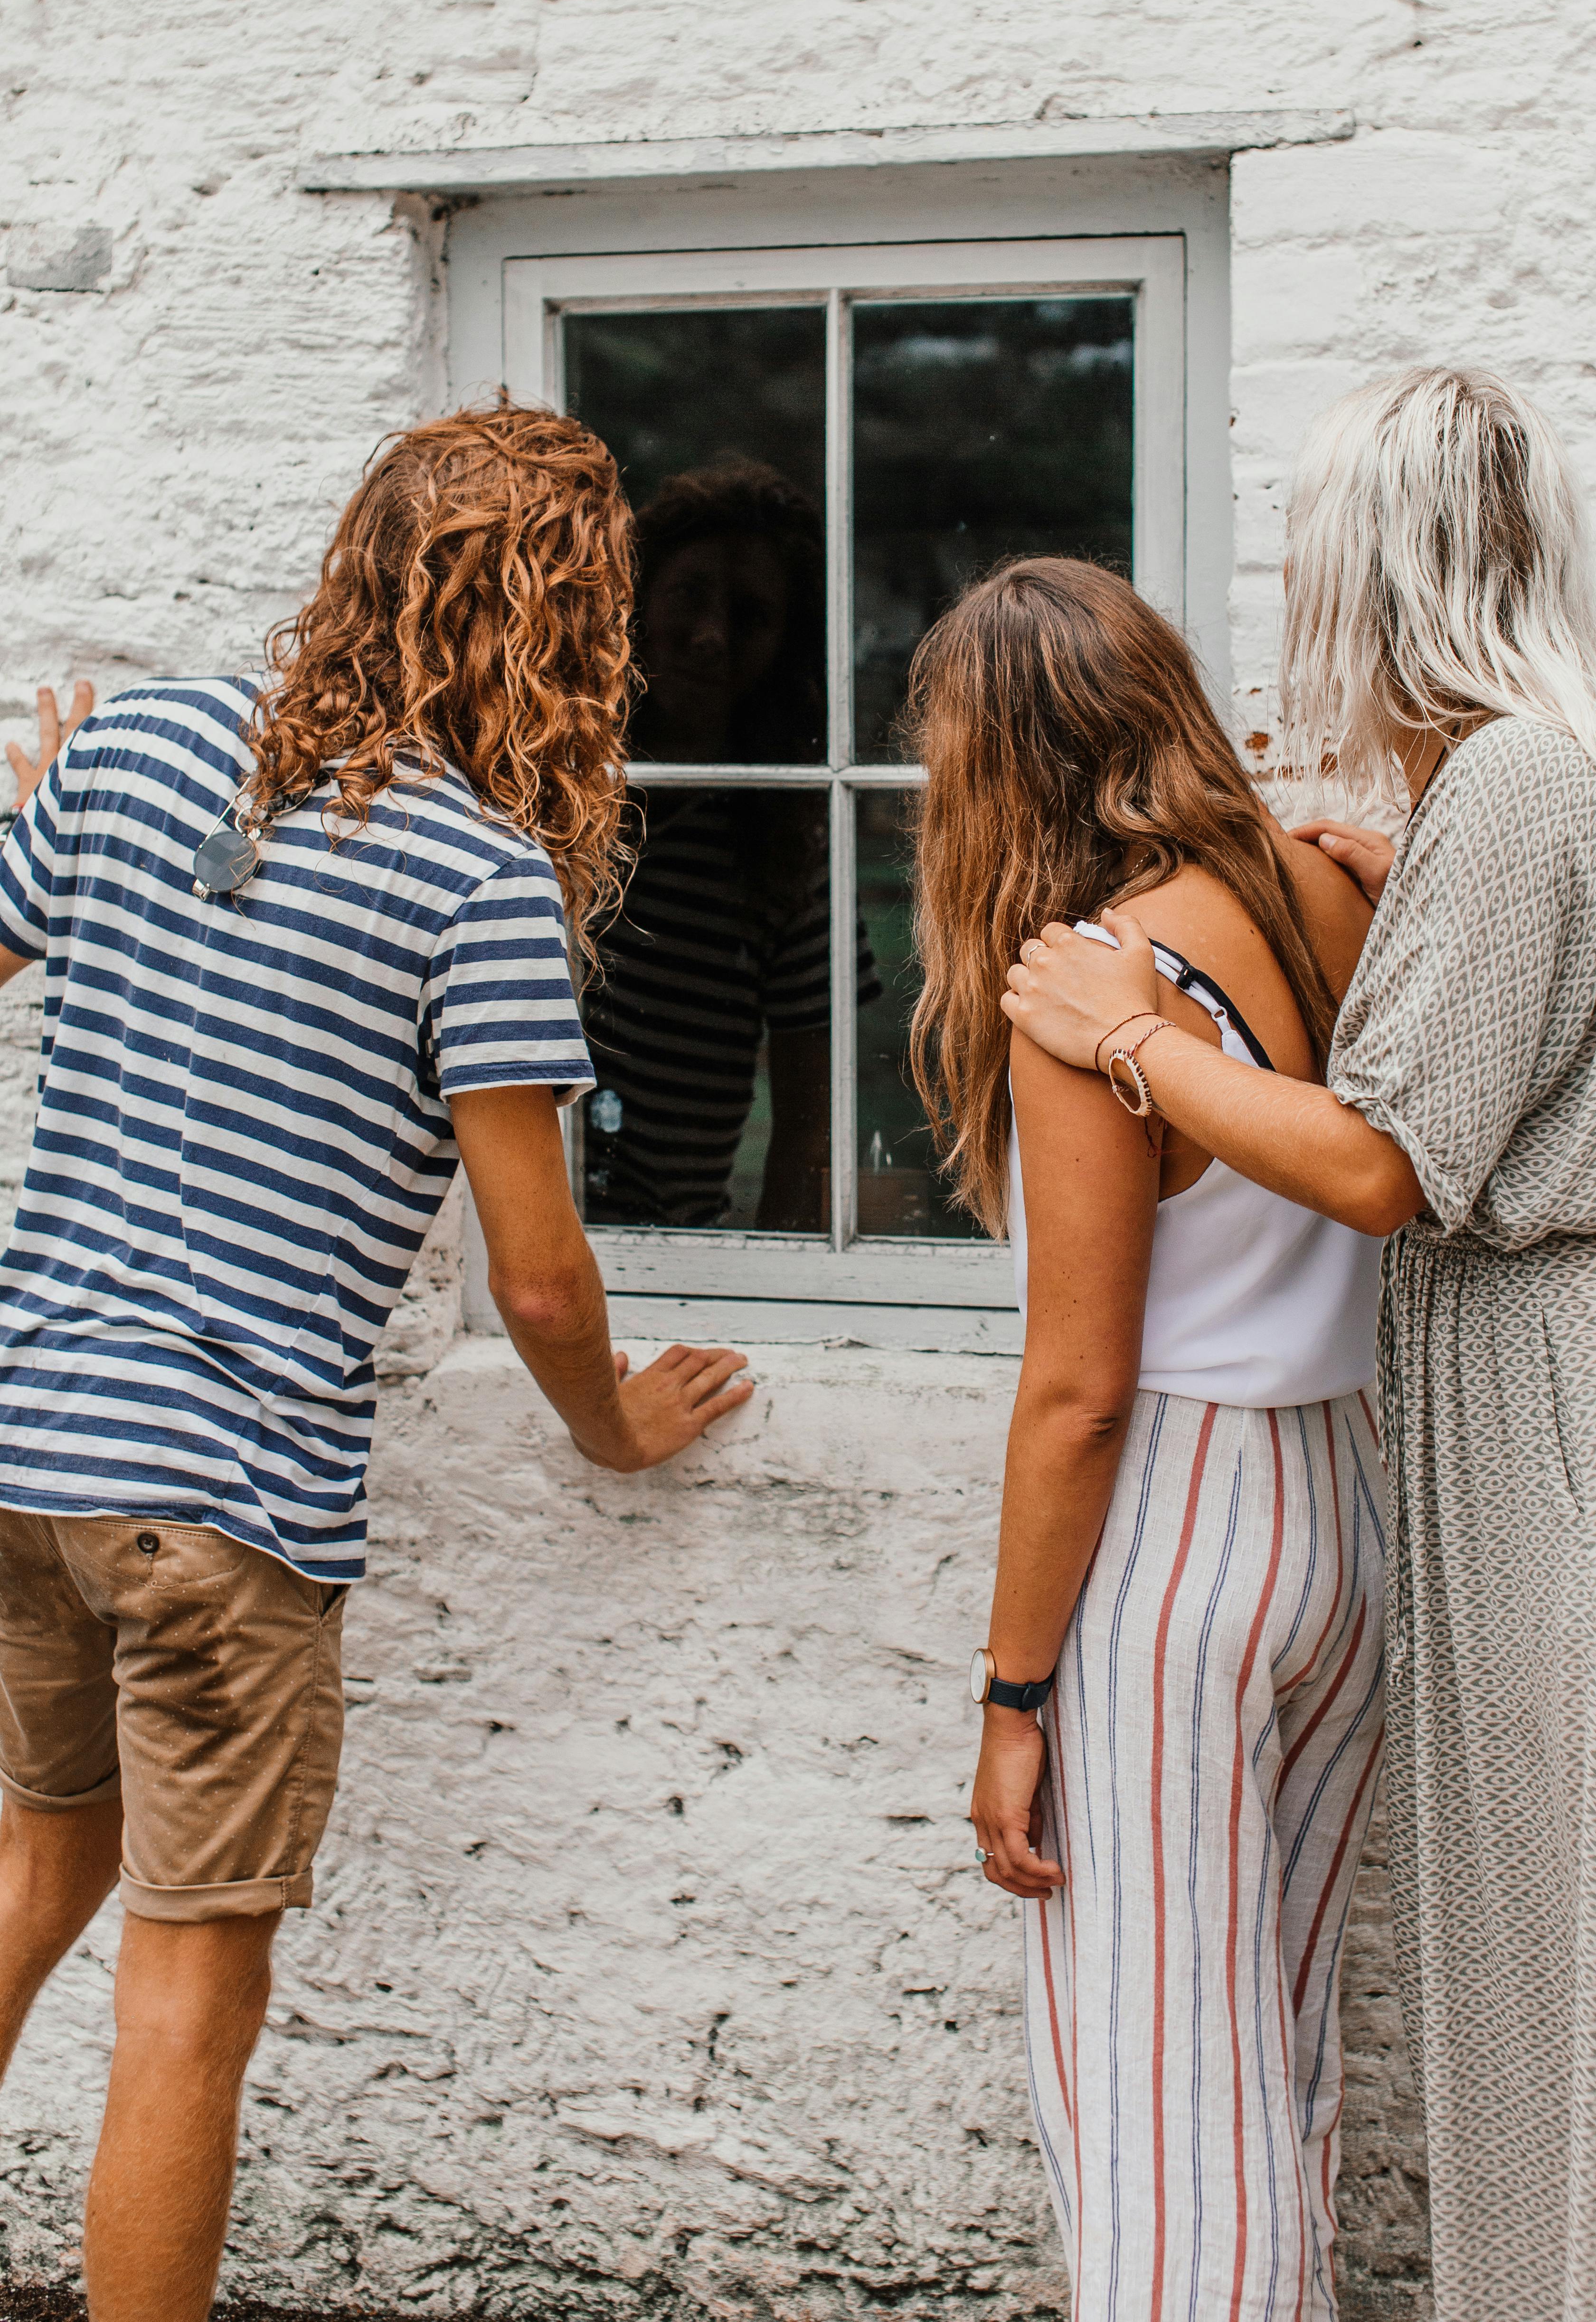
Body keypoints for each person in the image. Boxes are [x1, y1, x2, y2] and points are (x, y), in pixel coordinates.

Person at [0, 407, 752, 2322]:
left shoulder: (143, 748)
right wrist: (619, 1428)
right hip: (221, 1506)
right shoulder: (481, 880)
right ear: (572, 634)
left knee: (31, 1877)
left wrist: (53, 815)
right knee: (189, 1993)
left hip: (34, 1454)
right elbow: (543, 1280)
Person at [1001, 368, 1596, 2322]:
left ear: (1375, 574)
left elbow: (1389, 1162)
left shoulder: (1507, 789)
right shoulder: (1557, 770)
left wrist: (1130, 1035)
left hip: (1591, 1405)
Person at [905, 556, 1389, 2320]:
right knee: (1273, 2037)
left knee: (1159, 2088)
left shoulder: (1086, 991)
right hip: (1338, 1508)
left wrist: (1009, 1697)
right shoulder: (1320, 897)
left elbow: (1076, 1389)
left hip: (1179, 1532)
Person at [580, 458, 877, 1232]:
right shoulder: (555, 795)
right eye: (689, 595)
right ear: (638, 600)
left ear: (786, 643)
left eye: (750, 615)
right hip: (528, 1238)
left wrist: (773, 1293)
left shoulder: (794, 839)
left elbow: (812, 1131)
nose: (711, 636)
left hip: (675, 1250)